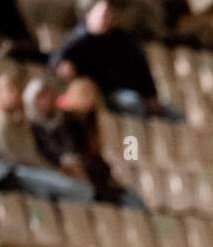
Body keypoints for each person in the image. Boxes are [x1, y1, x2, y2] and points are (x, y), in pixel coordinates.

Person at [51, 0, 180, 119]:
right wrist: (62, 65)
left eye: (109, 14)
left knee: (176, 115)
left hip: (133, 93)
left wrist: (150, 94)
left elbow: (141, 67)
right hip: (103, 96)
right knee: (131, 101)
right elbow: (58, 58)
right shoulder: (80, 40)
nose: (106, 18)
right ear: (89, 16)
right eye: (102, 14)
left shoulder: (121, 40)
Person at [0, 61, 94, 201]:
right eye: (9, 90)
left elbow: (36, 154)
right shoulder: (3, 123)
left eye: (16, 89)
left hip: (34, 170)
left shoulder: (22, 122)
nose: (15, 94)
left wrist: (59, 168)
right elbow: (17, 158)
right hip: (16, 172)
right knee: (81, 191)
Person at [54, 77, 146, 209]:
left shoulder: (92, 121)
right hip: (82, 179)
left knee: (135, 202)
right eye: (85, 93)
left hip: (98, 177)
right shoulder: (64, 121)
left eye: (92, 93)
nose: (90, 98)